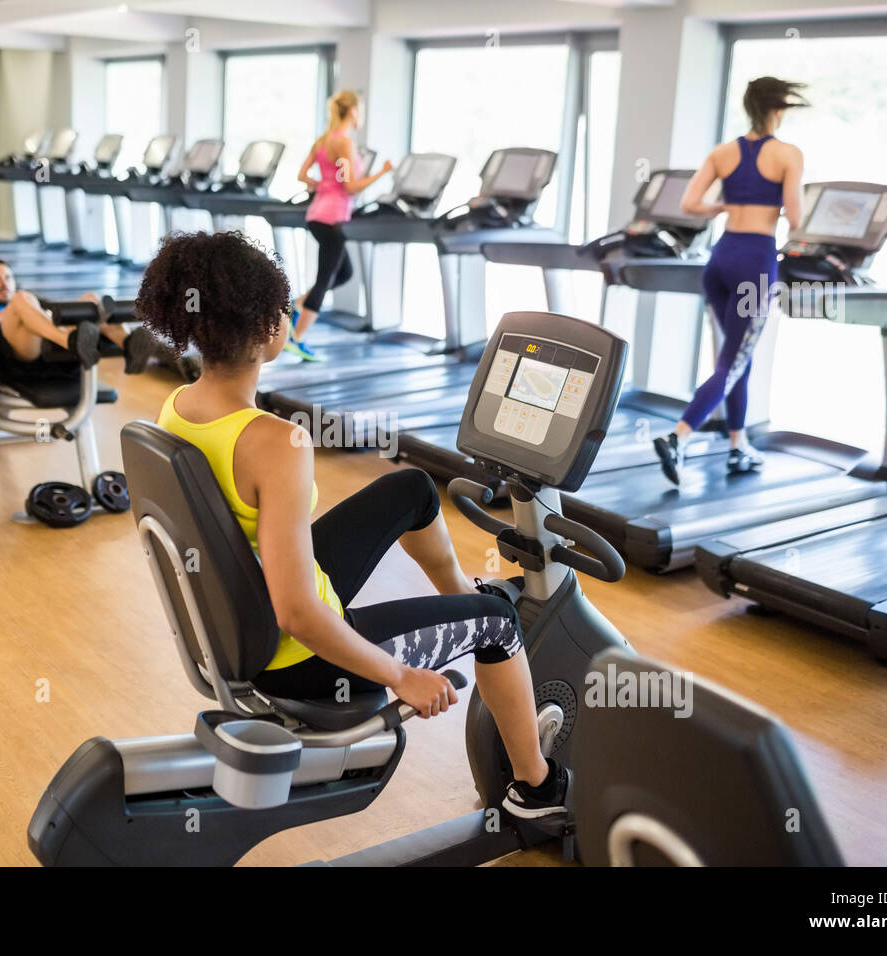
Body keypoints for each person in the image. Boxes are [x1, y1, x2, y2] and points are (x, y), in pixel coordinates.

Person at [137, 230, 570, 820]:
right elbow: (297, 612)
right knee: (500, 622)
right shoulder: (274, 443)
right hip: (303, 655)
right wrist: (400, 676)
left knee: (413, 489)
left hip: (247, 614)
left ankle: (460, 601)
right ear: (267, 325)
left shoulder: (179, 406)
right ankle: (536, 790)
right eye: (283, 308)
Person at [653, 76, 807, 485]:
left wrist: (722, 206)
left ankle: (738, 444)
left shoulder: (722, 153)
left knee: (737, 357)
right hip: (755, 260)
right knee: (733, 360)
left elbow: (689, 204)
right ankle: (677, 437)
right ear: (778, 110)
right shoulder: (788, 154)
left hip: (720, 260)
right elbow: (795, 217)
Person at [282, 90, 394, 361]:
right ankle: (297, 337)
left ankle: (298, 304)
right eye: (362, 111)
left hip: (318, 214)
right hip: (333, 218)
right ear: (354, 112)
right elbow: (350, 186)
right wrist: (382, 172)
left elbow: (302, 175)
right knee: (325, 278)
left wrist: (324, 186)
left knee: (343, 274)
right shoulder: (344, 143)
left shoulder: (323, 141)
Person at [0, 259, 127, 385]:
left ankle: (129, 344)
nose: (4, 283)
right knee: (21, 298)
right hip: (21, 363)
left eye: (8, 278)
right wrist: (4, 314)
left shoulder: (30, 304)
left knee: (91, 299)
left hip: (59, 355)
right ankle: (70, 341)